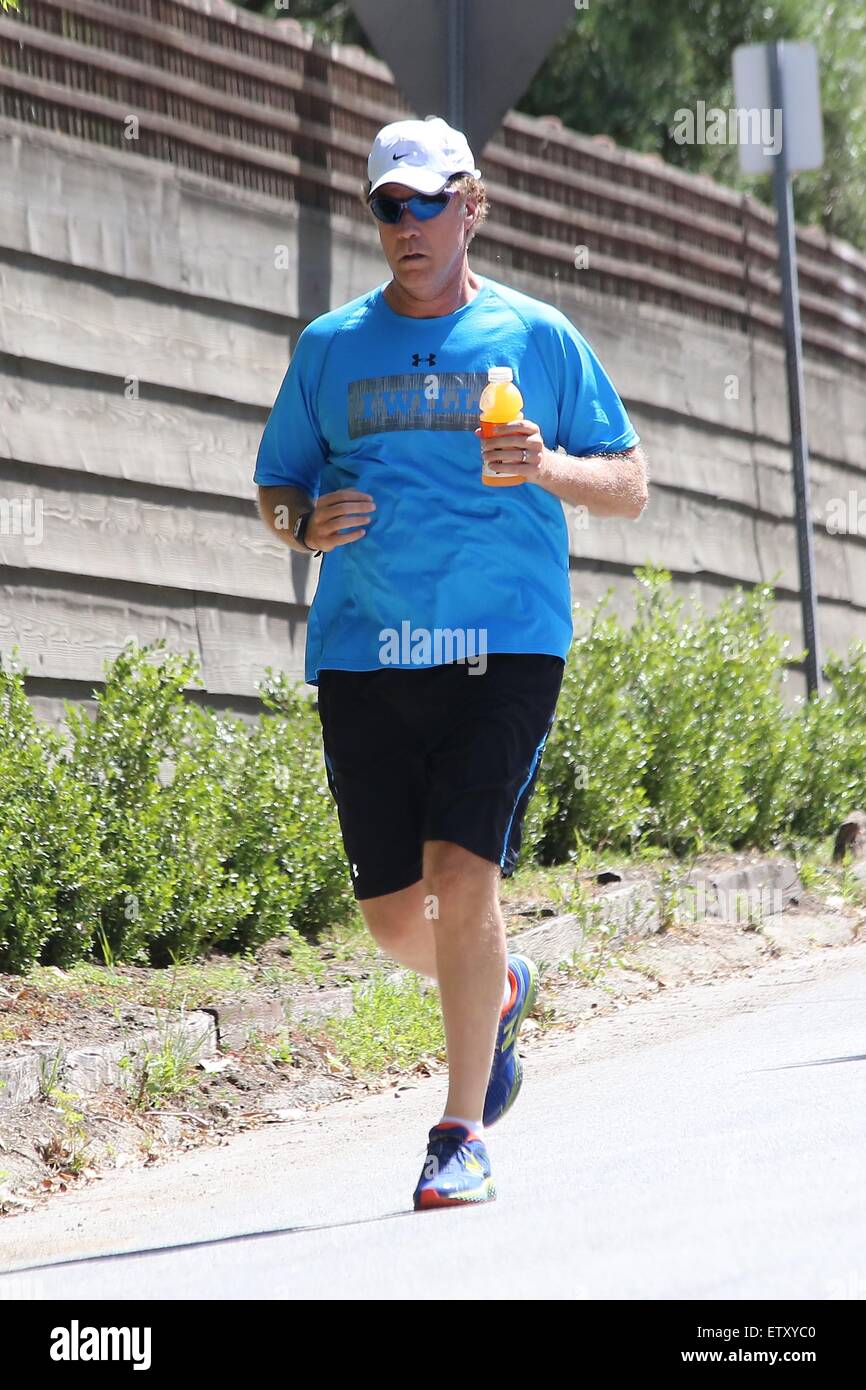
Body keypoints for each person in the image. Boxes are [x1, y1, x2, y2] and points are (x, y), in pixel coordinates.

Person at [254, 115, 648, 1211]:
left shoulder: (536, 333)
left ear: (470, 204)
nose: (406, 225)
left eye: (425, 202)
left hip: (501, 647)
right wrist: (302, 526)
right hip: (366, 652)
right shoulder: (329, 347)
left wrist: (551, 467)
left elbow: (629, 479)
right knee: (396, 921)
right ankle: (501, 981)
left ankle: (459, 1131)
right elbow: (277, 483)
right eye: (388, 205)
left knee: (462, 875)